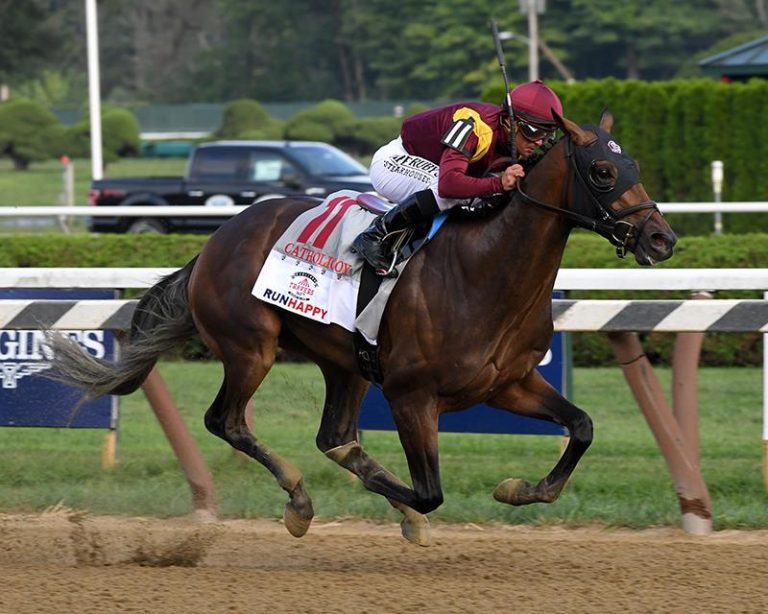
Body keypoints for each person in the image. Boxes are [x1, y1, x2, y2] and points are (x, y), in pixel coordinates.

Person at [353, 79, 564, 276]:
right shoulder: (475, 126)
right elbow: (449, 184)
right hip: (395, 161)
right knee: (447, 191)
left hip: (434, 168)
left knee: (487, 198)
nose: (538, 142)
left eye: (547, 135)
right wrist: (499, 183)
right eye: (534, 132)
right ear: (510, 122)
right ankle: (374, 235)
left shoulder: (515, 141)